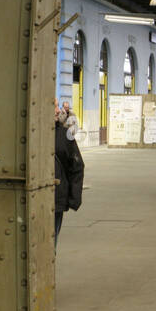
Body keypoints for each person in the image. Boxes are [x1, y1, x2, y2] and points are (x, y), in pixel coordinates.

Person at [54, 101, 85, 246]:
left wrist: (74, 197)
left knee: (51, 241)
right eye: (53, 106)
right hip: (56, 197)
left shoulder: (66, 134)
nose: (57, 110)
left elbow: (77, 165)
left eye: (58, 106)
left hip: (56, 198)